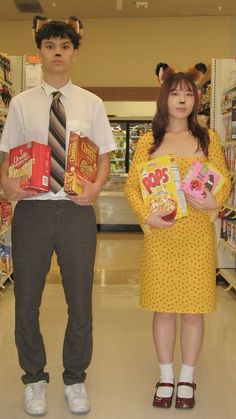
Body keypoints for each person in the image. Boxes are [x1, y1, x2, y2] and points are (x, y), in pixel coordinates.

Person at [0, 17, 116, 416]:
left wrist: (95, 189)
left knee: (79, 299)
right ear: (41, 52)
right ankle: (33, 378)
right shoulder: (20, 103)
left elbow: (102, 156)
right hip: (31, 212)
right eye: (50, 46)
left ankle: (75, 377)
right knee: (26, 299)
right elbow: (6, 155)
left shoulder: (91, 103)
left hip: (74, 212)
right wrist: (7, 185)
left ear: (74, 52)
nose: (57, 53)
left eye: (64, 46)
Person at [125, 70, 231, 409]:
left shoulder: (208, 139)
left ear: (196, 100)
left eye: (189, 94)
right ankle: (166, 375)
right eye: (175, 93)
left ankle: (187, 376)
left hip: (197, 236)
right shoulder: (148, 141)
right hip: (161, 237)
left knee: (194, 311)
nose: (183, 99)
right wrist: (146, 215)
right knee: (165, 309)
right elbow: (132, 185)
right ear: (164, 99)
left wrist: (216, 201)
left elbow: (223, 180)